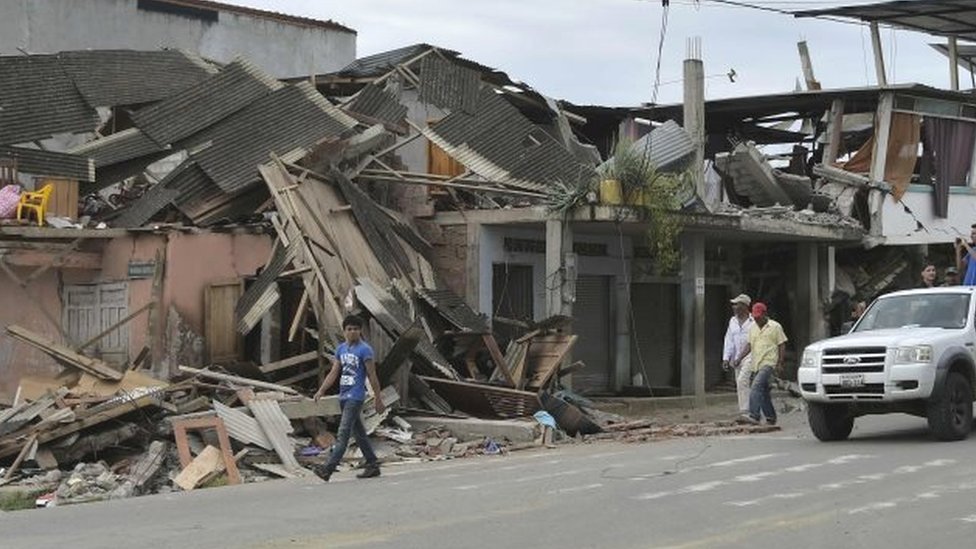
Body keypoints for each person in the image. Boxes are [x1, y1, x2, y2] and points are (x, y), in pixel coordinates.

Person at [312, 314, 384, 482]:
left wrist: (377, 398)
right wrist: (321, 390)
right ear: (344, 331)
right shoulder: (341, 349)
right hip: (343, 396)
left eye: (356, 329)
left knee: (343, 433)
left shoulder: (365, 350)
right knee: (359, 433)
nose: (353, 332)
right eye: (349, 329)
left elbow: (372, 375)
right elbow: (334, 372)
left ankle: (328, 469)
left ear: (360, 331)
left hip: (356, 397)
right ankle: (373, 465)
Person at [734, 302, 788, 426]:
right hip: (756, 363)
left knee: (755, 386)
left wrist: (780, 363)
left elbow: (781, 345)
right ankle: (770, 417)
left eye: (759, 317)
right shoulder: (753, 328)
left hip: (769, 363)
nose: (757, 320)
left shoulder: (775, 327)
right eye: (755, 318)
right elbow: (749, 345)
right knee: (763, 391)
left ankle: (754, 415)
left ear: (765, 314)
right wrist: (739, 358)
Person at [722, 294, 754, 414]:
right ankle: (745, 409)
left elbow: (752, 342)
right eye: (734, 304)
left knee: (742, 380)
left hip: (750, 356)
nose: (734, 307)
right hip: (736, 358)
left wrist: (741, 357)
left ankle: (746, 409)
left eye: (737, 304)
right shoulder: (733, 321)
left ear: (745, 306)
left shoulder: (753, 322)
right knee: (740, 383)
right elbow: (729, 339)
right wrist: (726, 358)